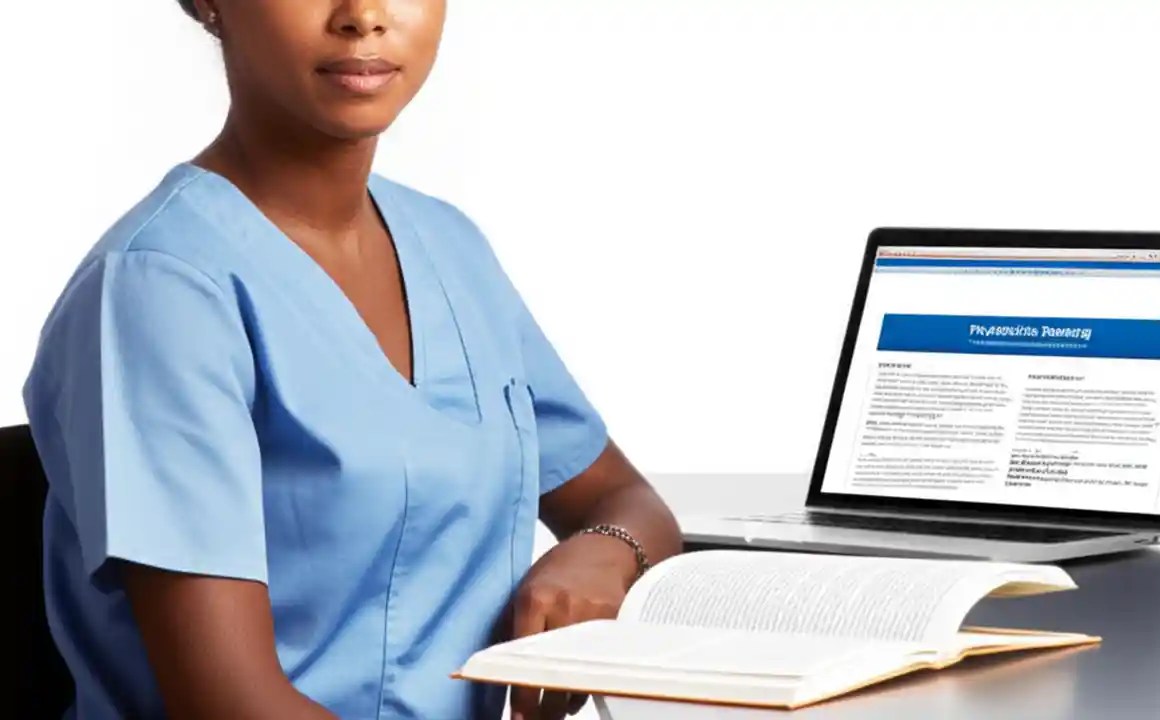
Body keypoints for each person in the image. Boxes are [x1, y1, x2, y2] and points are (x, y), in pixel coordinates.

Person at [21, 1, 682, 718]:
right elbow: (230, 705)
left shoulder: (449, 247)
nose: (363, 15)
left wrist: (604, 550)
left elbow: (629, 502)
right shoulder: (162, 290)